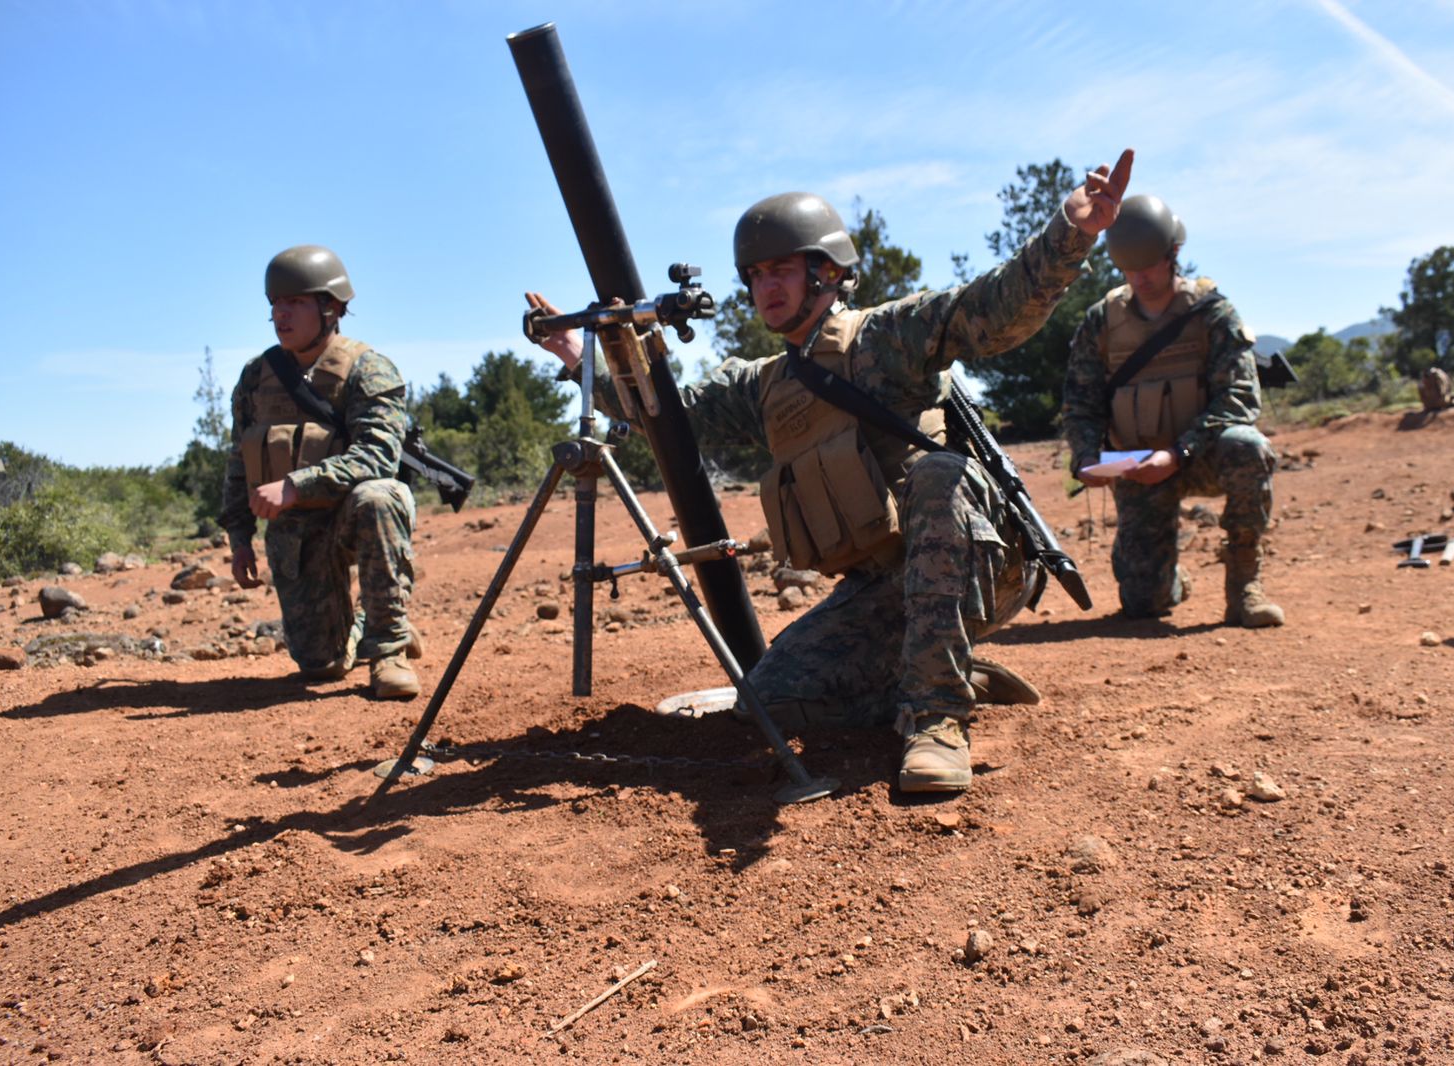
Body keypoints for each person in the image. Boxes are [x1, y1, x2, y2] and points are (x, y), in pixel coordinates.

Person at [528, 148, 1134, 793]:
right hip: (886, 585)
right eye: (756, 274)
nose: (768, 287)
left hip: (982, 559)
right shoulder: (764, 387)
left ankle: (936, 720)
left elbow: (998, 308)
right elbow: (664, 420)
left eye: (783, 270)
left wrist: (1072, 233)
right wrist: (575, 354)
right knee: (769, 701)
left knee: (940, 474)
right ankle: (941, 673)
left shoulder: (888, 335)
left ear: (828, 272)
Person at [1060, 194, 1284, 628]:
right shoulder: (1101, 322)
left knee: (1248, 447)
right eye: (1129, 268)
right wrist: (1086, 456)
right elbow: (1081, 402)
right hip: (1135, 464)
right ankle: (1169, 579)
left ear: (1173, 254)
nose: (1140, 278)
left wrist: (1179, 453)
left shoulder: (1211, 313)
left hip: (1200, 456)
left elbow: (1239, 398)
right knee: (1143, 604)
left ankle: (1243, 589)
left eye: (1149, 265)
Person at [218, 245, 422, 699]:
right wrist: (239, 540)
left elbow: (377, 457)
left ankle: (389, 649)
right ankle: (363, 628)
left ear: (330, 308)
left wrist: (296, 485)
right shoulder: (257, 376)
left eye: (294, 302)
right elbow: (240, 460)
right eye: (275, 305)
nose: (280, 314)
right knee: (321, 666)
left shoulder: (369, 369)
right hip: (297, 534)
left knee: (381, 496)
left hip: (355, 515)